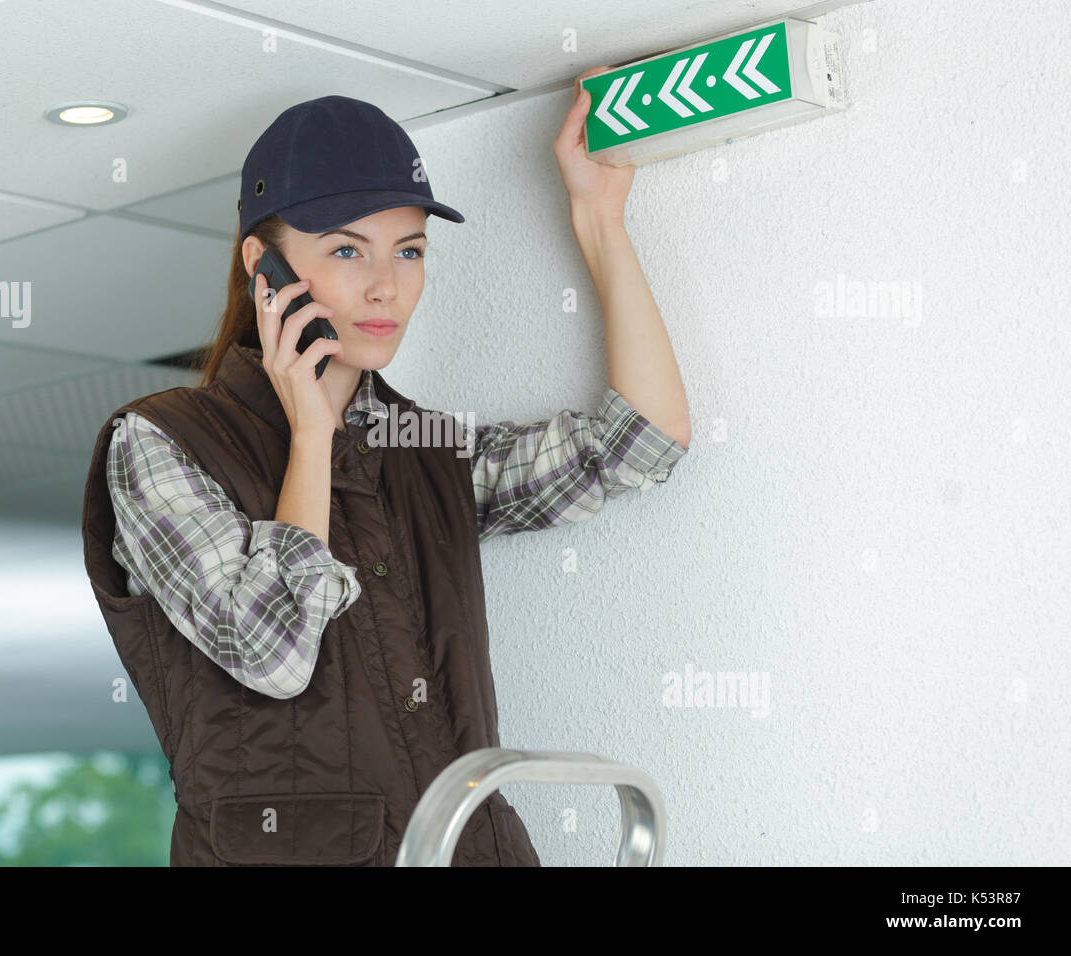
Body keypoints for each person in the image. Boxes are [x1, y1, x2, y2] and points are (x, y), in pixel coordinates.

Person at [80, 79, 690, 866]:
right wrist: (309, 430)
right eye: (346, 249)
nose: (386, 285)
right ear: (263, 268)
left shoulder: (420, 450)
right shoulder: (160, 442)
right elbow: (272, 653)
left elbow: (642, 441)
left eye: (409, 250)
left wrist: (600, 220)